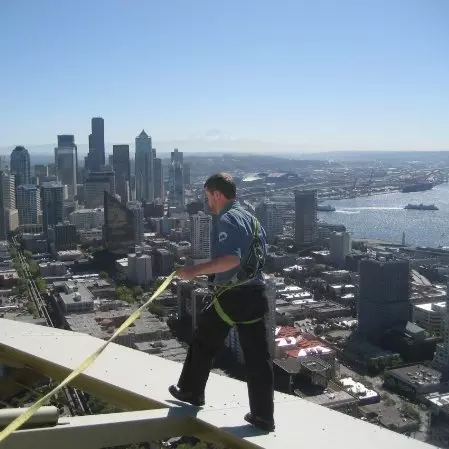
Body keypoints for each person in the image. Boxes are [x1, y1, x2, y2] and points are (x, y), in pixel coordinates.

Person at [169, 173, 275, 432]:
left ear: (218, 194)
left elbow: (231, 258)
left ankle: (191, 391)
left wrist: (194, 271)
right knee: (259, 360)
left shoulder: (227, 218)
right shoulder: (251, 217)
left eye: (208, 198)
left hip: (233, 295)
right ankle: (263, 417)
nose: (208, 204)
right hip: (256, 294)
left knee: (203, 342)